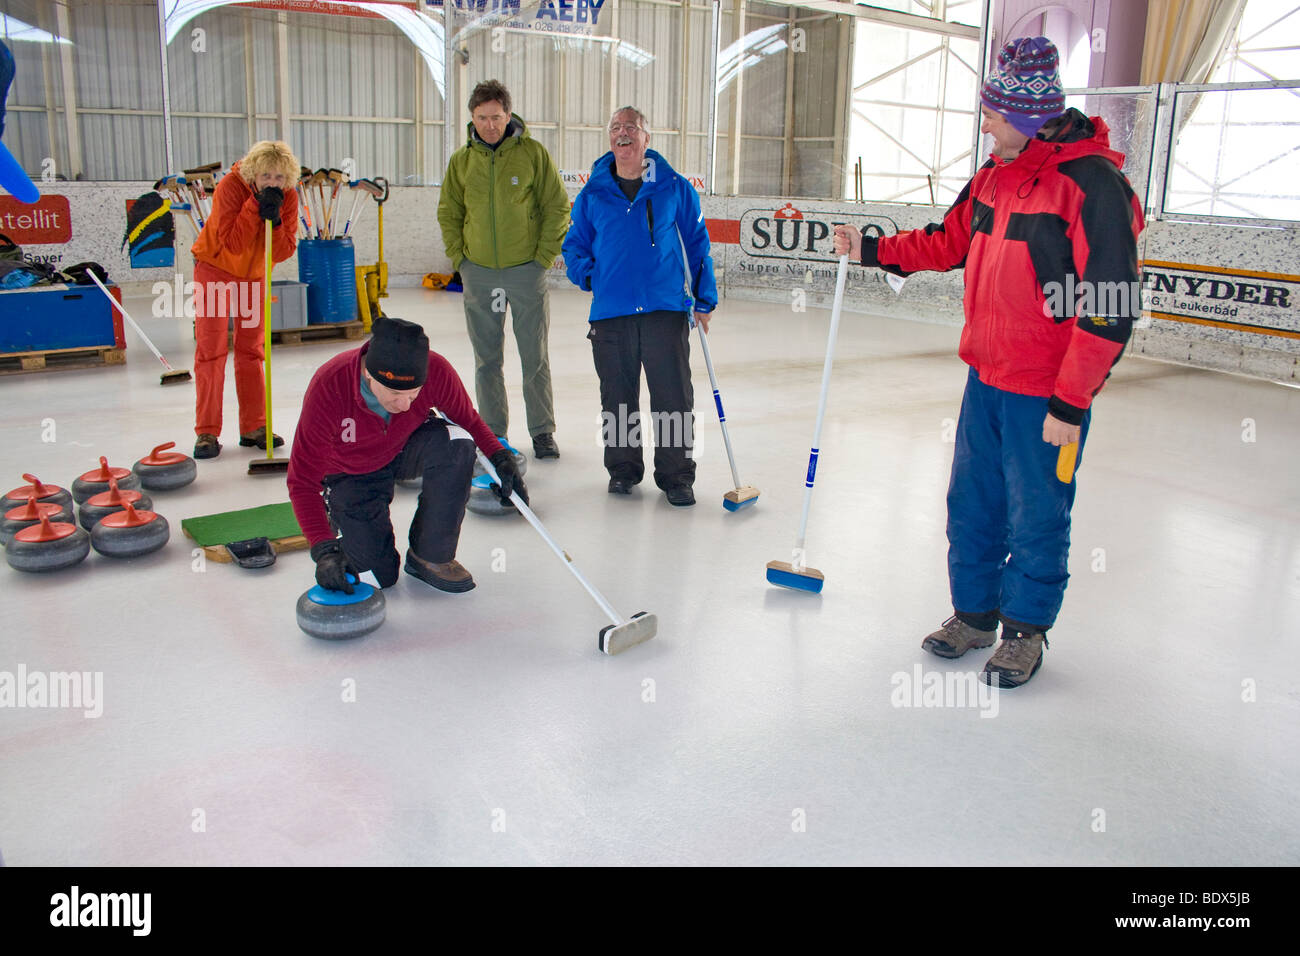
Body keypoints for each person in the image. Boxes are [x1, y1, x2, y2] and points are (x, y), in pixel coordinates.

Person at [834, 36, 1144, 688]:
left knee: (1038, 512)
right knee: (973, 503)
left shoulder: (1091, 186)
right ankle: (974, 616)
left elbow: (1111, 307)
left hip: (1047, 392)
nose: (985, 123)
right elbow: (945, 242)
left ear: (1029, 116)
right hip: (986, 379)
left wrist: (1071, 399)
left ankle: (1024, 631)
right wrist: (871, 250)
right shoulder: (993, 180)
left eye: (995, 114)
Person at [287, 316, 526, 594]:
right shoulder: (330, 385)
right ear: (368, 374)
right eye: (393, 393)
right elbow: (302, 481)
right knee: (379, 577)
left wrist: (500, 459)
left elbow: (469, 420)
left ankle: (430, 555)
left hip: (403, 446)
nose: (403, 404)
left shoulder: (436, 369)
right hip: (350, 471)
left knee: (457, 440)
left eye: (414, 394)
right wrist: (324, 548)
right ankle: (341, 514)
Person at [562, 106, 717, 506]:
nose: (623, 133)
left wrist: (704, 298)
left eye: (632, 127)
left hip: (664, 308)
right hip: (611, 314)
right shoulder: (593, 192)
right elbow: (574, 244)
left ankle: (677, 477)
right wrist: (590, 276)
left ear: (647, 138)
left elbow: (697, 245)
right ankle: (622, 471)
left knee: (672, 396)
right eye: (616, 127)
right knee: (616, 398)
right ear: (610, 139)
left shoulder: (673, 187)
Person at [437, 80, 570, 462]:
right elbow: (449, 212)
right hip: (478, 272)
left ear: (509, 116)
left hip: (524, 272)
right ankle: (492, 432)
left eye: (496, 117)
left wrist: (542, 258)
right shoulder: (462, 162)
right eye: (482, 118)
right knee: (487, 359)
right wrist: (459, 259)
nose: (490, 125)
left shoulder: (532, 154)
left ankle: (542, 431)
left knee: (534, 355)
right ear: (472, 119)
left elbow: (557, 207)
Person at [189, 141, 299, 460]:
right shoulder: (230, 187)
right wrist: (254, 206)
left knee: (251, 351)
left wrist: (275, 220)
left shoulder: (288, 196)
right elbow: (233, 244)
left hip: (253, 276)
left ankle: (255, 426)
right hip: (215, 269)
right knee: (211, 351)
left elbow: (281, 251)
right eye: (266, 175)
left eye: (279, 177)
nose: (273, 183)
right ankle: (206, 431)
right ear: (253, 172)